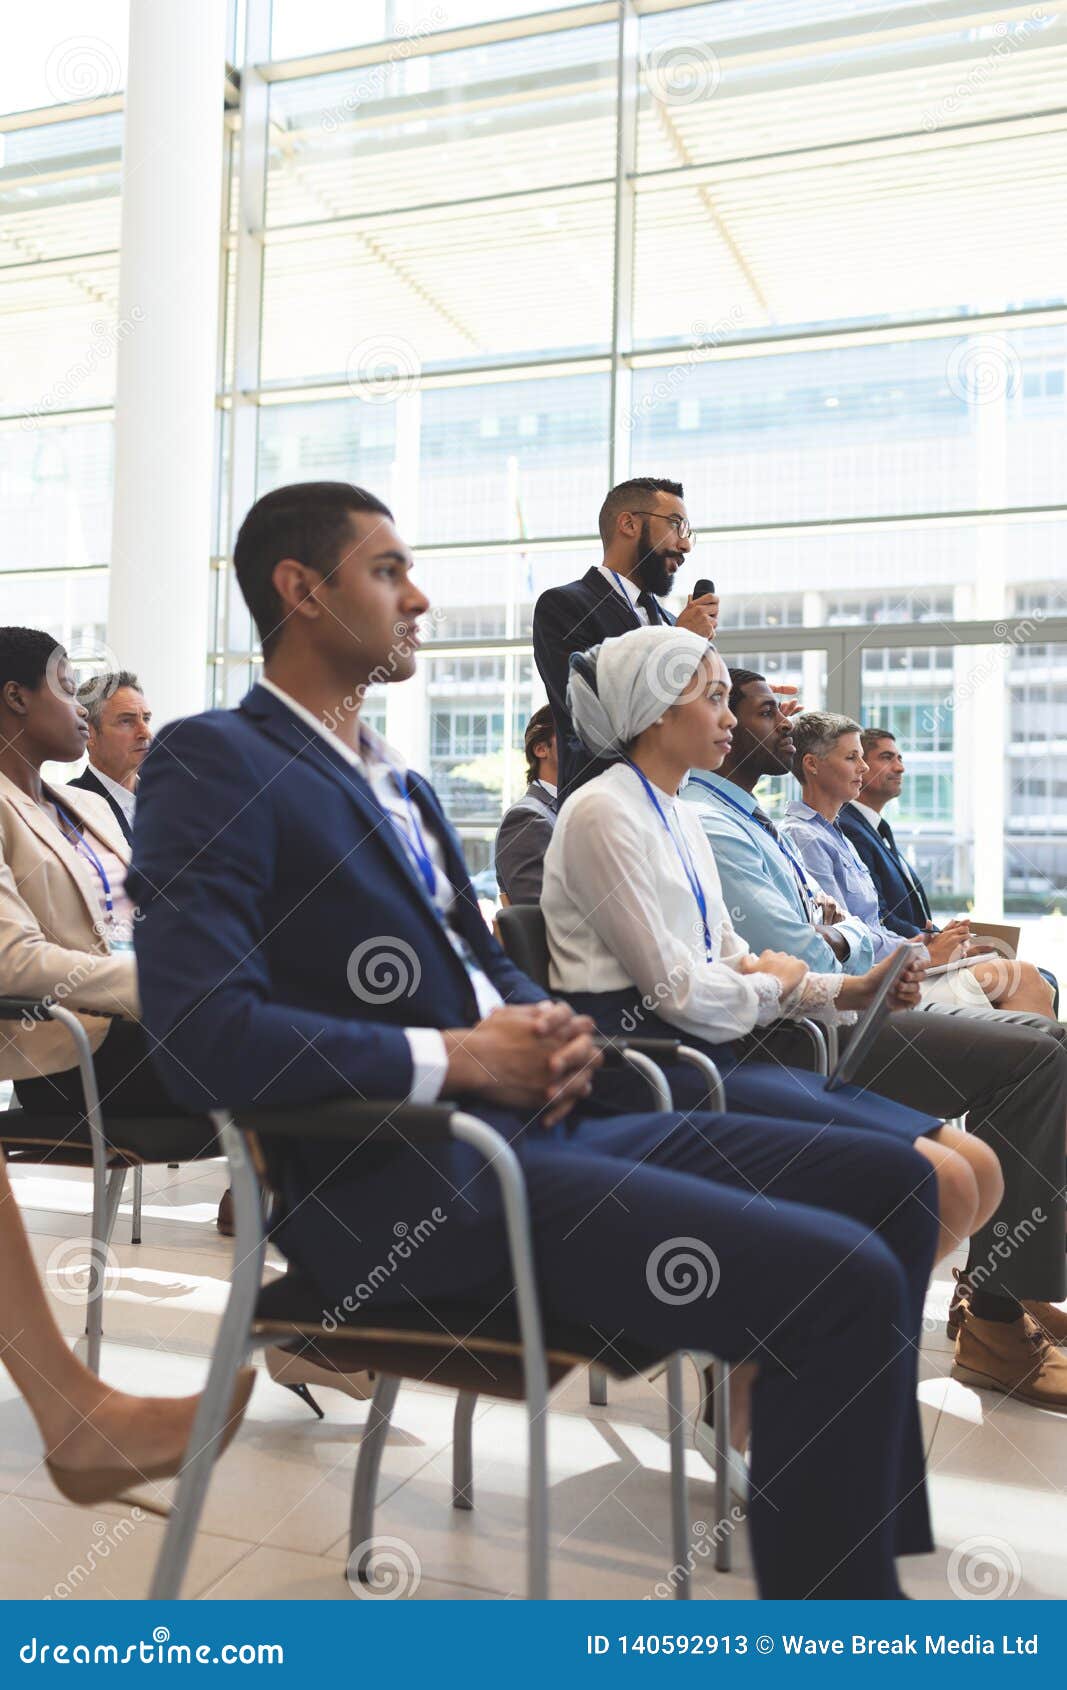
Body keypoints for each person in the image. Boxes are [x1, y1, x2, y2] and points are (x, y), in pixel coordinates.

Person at [130, 480, 947, 1598]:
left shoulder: (401, 783)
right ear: (300, 590)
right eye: (387, 571)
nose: (418, 595)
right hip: (411, 1184)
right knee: (842, 1276)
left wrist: (543, 1020)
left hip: (547, 1126)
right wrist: (458, 1058)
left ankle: (827, 1543)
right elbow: (200, 1033)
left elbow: (484, 967)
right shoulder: (214, 761)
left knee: (895, 1184)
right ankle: (844, 1621)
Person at [541, 626, 1001, 1270]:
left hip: (710, 1050)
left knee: (978, 1166)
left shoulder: (675, 812)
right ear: (656, 710)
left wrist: (855, 988)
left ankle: (825, 1337)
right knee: (947, 1181)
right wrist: (771, 983)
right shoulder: (602, 813)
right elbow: (676, 990)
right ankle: (825, 1337)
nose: (730, 719)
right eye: (714, 699)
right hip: (656, 1071)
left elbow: (729, 958)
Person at [682, 668, 1067, 1399]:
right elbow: (795, 940)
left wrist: (860, 947)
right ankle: (991, 1317)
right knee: (1032, 1064)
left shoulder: (743, 816)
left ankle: (1009, 1285)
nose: (781, 725)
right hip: (806, 1033)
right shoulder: (706, 818)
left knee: (1054, 1043)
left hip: (840, 1002)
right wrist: (872, 953)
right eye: (764, 713)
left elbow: (832, 923)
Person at [0, 627, 252, 1508]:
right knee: (281, 1038)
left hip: (140, 1019)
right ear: (14, 700)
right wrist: (161, 981)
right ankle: (322, 1318)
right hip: (76, 1044)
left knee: (291, 1020)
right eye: (67, 687)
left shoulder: (85, 806)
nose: (80, 702)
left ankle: (325, 1306)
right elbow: (14, 962)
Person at [783, 712, 1055, 1016]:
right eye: (851, 757)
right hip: (867, 980)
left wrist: (930, 946)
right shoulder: (803, 837)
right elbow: (844, 936)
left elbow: (871, 925)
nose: (862, 767)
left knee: (1028, 977)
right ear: (812, 764)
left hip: (892, 965)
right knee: (1024, 979)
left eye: (862, 757)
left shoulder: (838, 836)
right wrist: (923, 952)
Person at [532, 478, 719, 798]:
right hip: (602, 805)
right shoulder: (564, 605)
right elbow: (592, 712)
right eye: (676, 525)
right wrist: (679, 643)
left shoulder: (670, 621)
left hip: (674, 808)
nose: (686, 545)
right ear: (629, 524)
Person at [68, 670, 153, 845]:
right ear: (89, 734)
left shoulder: (165, 796)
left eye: (146, 719)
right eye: (127, 721)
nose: (145, 733)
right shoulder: (70, 806)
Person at [493, 705, 558, 905]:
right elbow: (540, 914)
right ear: (540, 749)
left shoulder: (566, 811)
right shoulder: (527, 818)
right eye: (570, 735)